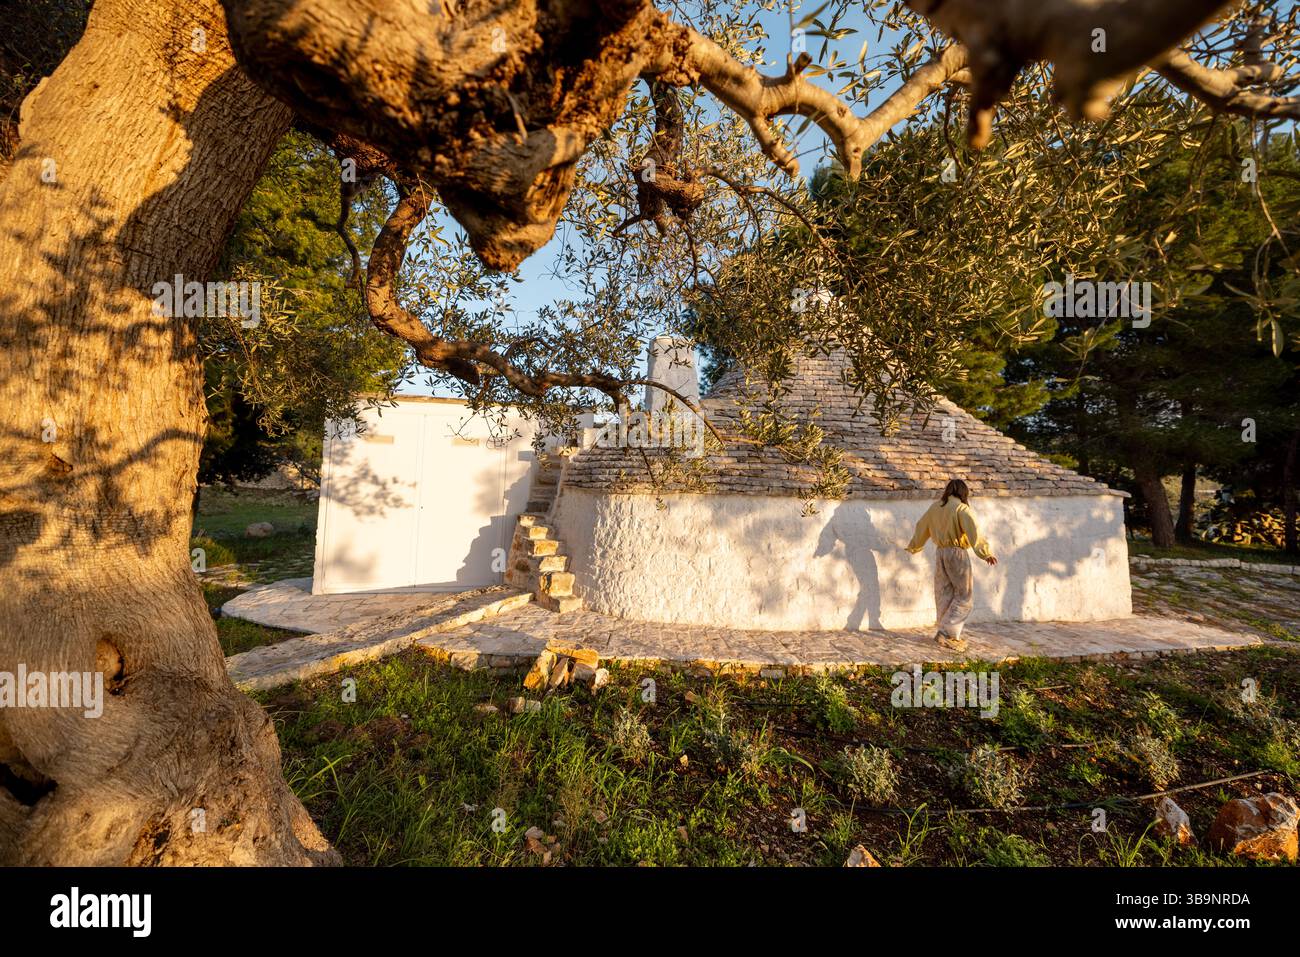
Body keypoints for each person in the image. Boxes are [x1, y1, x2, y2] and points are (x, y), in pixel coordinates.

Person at [906, 479, 997, 653]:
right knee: (964, 595)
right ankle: (947, 632)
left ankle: (947, 633)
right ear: (964, 492)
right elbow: (974, 532)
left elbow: (921, 526)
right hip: (957, 553)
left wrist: (914, 545)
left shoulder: (935, 507)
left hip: (940, 552)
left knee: (944, 592)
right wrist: (985, 553)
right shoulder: (961, 509)